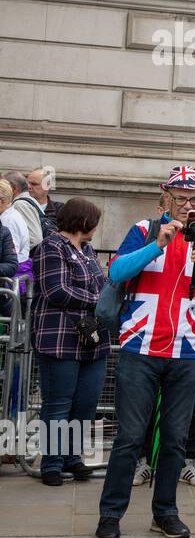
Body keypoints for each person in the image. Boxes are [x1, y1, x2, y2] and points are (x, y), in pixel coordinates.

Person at [94, 166, 195, 538]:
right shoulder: (143, 230)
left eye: (194, 199)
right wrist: (157, 244)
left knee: (174, 438)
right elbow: (116, 272)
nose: (187, 205)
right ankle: (110, 515)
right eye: (180, 198)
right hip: (140, 346)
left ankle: (165, 512)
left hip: (187, 350)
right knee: (129, 437)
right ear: (165, 199)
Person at [31, 198, 108, 485]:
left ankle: (72, 456)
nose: (96, 228)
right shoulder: (51, 247)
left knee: (85, 404)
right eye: (94, 221)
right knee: (58, 403)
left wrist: (102, 299)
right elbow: (57, 291)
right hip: (59, 339)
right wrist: (97, 302)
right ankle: (51, 462)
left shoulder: (87, 250)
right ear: (83, 220)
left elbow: (102, 284)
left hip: (92, 340)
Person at [0, 179, 30, 279]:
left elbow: (11, 256)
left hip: (15, 273)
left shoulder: (8, 220)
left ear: (1, 201)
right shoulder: (10, 215)